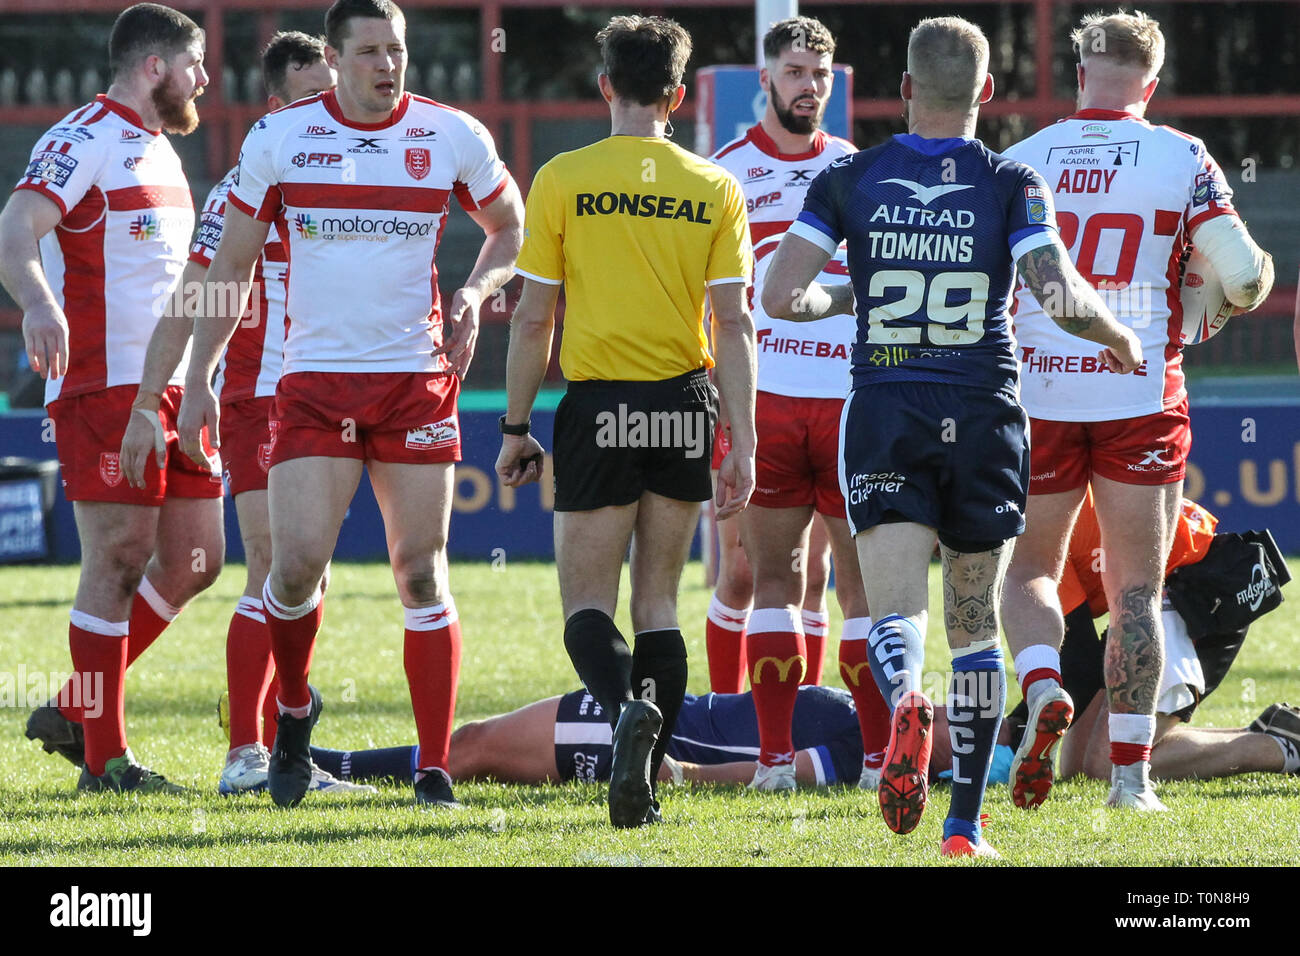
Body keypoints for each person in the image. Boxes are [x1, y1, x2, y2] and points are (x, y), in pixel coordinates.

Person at [761, 16, 1141, 857]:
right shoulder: (1012, 180)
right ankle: (965, 828)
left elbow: (782, 297)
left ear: (901, 92)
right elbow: (1058, 294)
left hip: (889, 408)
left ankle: (903, 698)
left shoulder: (850, 177)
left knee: (893, 614)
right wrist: (1122, 338)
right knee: (974, 628)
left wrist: (850, 299)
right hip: (984, 416)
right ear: (987, 95)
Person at [175, 0, 525, 810]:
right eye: (368, 51)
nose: (386, 65)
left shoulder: (452, 135)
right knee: (291, 572)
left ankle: (434, 768)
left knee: (421, 573)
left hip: (414, 381)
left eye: (395, 50)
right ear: (332, 58)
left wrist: (476, 290)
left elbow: (511, 228)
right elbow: (230, 264)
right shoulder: (282, 139)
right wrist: (199, 377)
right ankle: (293, 705)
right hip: (313, 382)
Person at [1000, 9, 1276, 813]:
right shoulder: (1182, 155)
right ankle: (1130, 780)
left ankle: (1044, 686)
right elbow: (1246, 277)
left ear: (1080, 71)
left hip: (1040, 388)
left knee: (1029, 572)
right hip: (1140, 391)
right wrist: (1211, 302)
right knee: (1133, 591)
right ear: (1150, 84)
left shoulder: (1019, 158)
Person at [495, 15, 756, 828]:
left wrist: (514, 425)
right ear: (677, 95)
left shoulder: (562, 178)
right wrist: (740, 437)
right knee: (659, 607)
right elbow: (736, 322)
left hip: (600, 404)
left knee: (585, 607)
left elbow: (535, 318)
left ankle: (625, 720)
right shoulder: (715, 186)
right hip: (684, 403)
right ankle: (648, 747)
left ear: (605, 85)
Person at [118, 30, 368, 796]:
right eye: (310, 94)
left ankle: (276, 742)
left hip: (337, 393)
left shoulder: (363, 166)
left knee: (302, 578)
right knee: (272, 573)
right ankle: (248, 755)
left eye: (334, 91)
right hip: (266, 396)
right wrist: (172, 391)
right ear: (276, 104)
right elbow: (195, 297)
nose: (328, 108)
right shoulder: (249, 184)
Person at [0, 3, 222, 794]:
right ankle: (106, 761)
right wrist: (37, 302)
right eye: (194, 65)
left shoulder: (162, 150)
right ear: (154, 67)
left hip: (173, 389)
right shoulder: (80, 138)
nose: (205, 80)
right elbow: (16, 226)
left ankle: (70, 709)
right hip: (101, 383)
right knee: (119, 560)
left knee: (198, 558)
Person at [704, 16, 889, 793]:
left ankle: (877, 756)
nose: (808, 86)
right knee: (761, 574)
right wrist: (719, 409)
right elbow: (707, 303)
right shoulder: (724, 173)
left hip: (849, 402)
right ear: (766, 80)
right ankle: (768, 755)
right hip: (766, 402)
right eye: (794, 73)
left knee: (861, 585)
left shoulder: (854, 166)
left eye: (819, 75)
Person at [928, 494, 1300, 784]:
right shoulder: (1016, 513)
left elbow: (1077, 664)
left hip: (1200, 588)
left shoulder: (1025, 535)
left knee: (1108, 764)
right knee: (1076, 768)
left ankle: (1281, 748)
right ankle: (1275, 729)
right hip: (1173, 585)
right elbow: (1078, 662)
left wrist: (1011, 733)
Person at [249, 684, 866, 789]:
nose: (940, 708)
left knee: (469, 750)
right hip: (648, 717)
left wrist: (680, 773)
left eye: (953, 719)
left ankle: (307, 762)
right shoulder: (865, 708)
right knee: (471, 748)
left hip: (648, 738)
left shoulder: (860, 748)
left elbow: (781, 773)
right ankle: (307, 761)